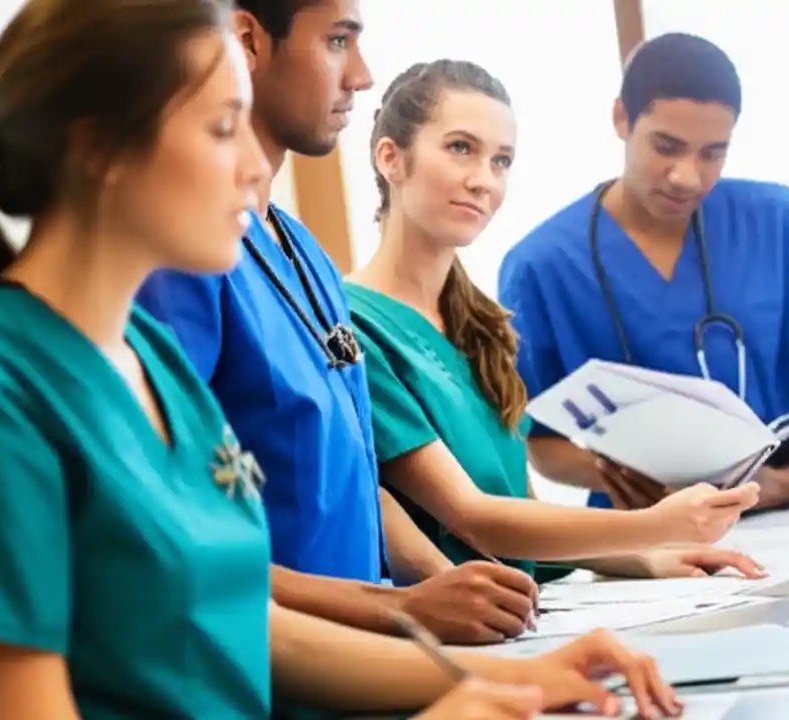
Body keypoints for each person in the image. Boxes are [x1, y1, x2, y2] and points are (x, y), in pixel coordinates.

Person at [0, 2, 683, 717]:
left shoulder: (150, 362)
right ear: (100, 148)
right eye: (221, 128)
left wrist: (510, 678)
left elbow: (244, 617)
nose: (255, 167)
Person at [135, 0, 543, 645]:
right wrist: (401, 611)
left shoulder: (307, 258)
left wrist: (438, 591)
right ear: (249, 39)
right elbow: (169, 537)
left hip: (359, 655)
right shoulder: (184, 262)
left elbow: (349, 483)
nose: (362, 75)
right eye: (336, 42)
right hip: (264, 666)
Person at [346, 59, 763, 581]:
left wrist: (644, 558)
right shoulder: (354, 327)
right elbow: (476, 519)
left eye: (501, 161)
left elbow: (519, 505)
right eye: (460, 149)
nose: (483, 181)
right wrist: (654, 526)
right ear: (391, 158)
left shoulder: (483, 323)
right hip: (459, 626)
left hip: (530, 609)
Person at [498, 32, 789, 512]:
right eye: (666, 146)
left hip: (788, 522)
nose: (687, 176)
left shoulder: (777, 220)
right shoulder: (541, 266)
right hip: (644, 542)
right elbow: (541, 446)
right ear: (622, 118)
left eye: (712, 153)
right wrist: (614, 474)